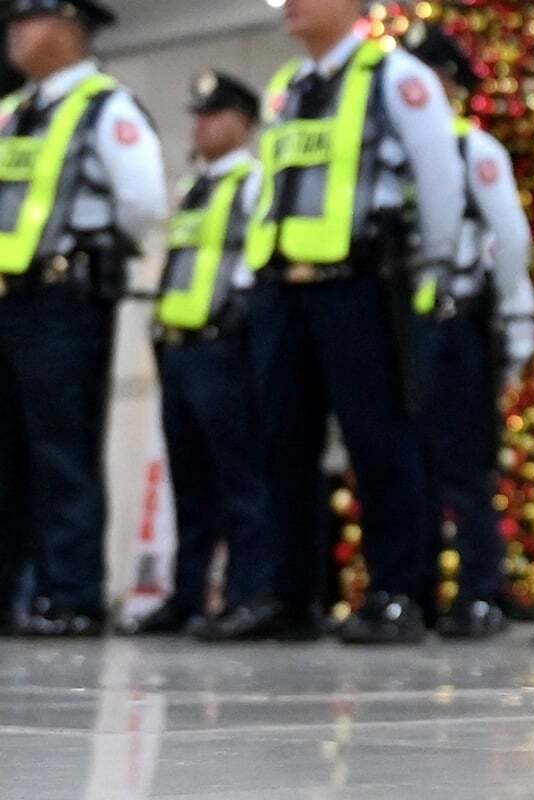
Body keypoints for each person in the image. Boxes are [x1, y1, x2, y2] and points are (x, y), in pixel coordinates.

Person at [246, 0, 465, 644]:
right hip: (281, 290)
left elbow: (439, 177)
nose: (289, 4)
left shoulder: (396, 76)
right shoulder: (285, 88)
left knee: (380, 441)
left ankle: (398, 593)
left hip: (364, 285)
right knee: (284, 445)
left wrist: (434, 270)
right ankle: (291, 596)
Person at [0, 0, 168, 637]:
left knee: (61, 450)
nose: (16, 29)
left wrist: (83, 254)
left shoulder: (105, 106)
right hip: (10, 301)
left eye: (31, 17)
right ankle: (11, 591)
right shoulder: (13, 113)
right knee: (8, 455)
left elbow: (143, 203)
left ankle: (71, 596)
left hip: (63, 299)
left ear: (73, 28)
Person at [122, 72, 279, 639]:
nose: (201, 126)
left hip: (224, 346)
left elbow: (252, 262)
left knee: (239, 478)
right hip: (181, 350)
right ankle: (184, 595)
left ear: (243, 121)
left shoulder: (253, 183)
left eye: (214, 115)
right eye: (198, 116)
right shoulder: (192, 188)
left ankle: (248, 593)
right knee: (189, 482)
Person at [407, 27, 534, 638]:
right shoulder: (391, 153)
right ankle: (418, 594)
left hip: (456, 326)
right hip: (401, 329)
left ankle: (481, 593)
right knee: (410, 465)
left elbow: (510, 238)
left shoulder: (471, 149)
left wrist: (500, 313)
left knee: (463, 466)